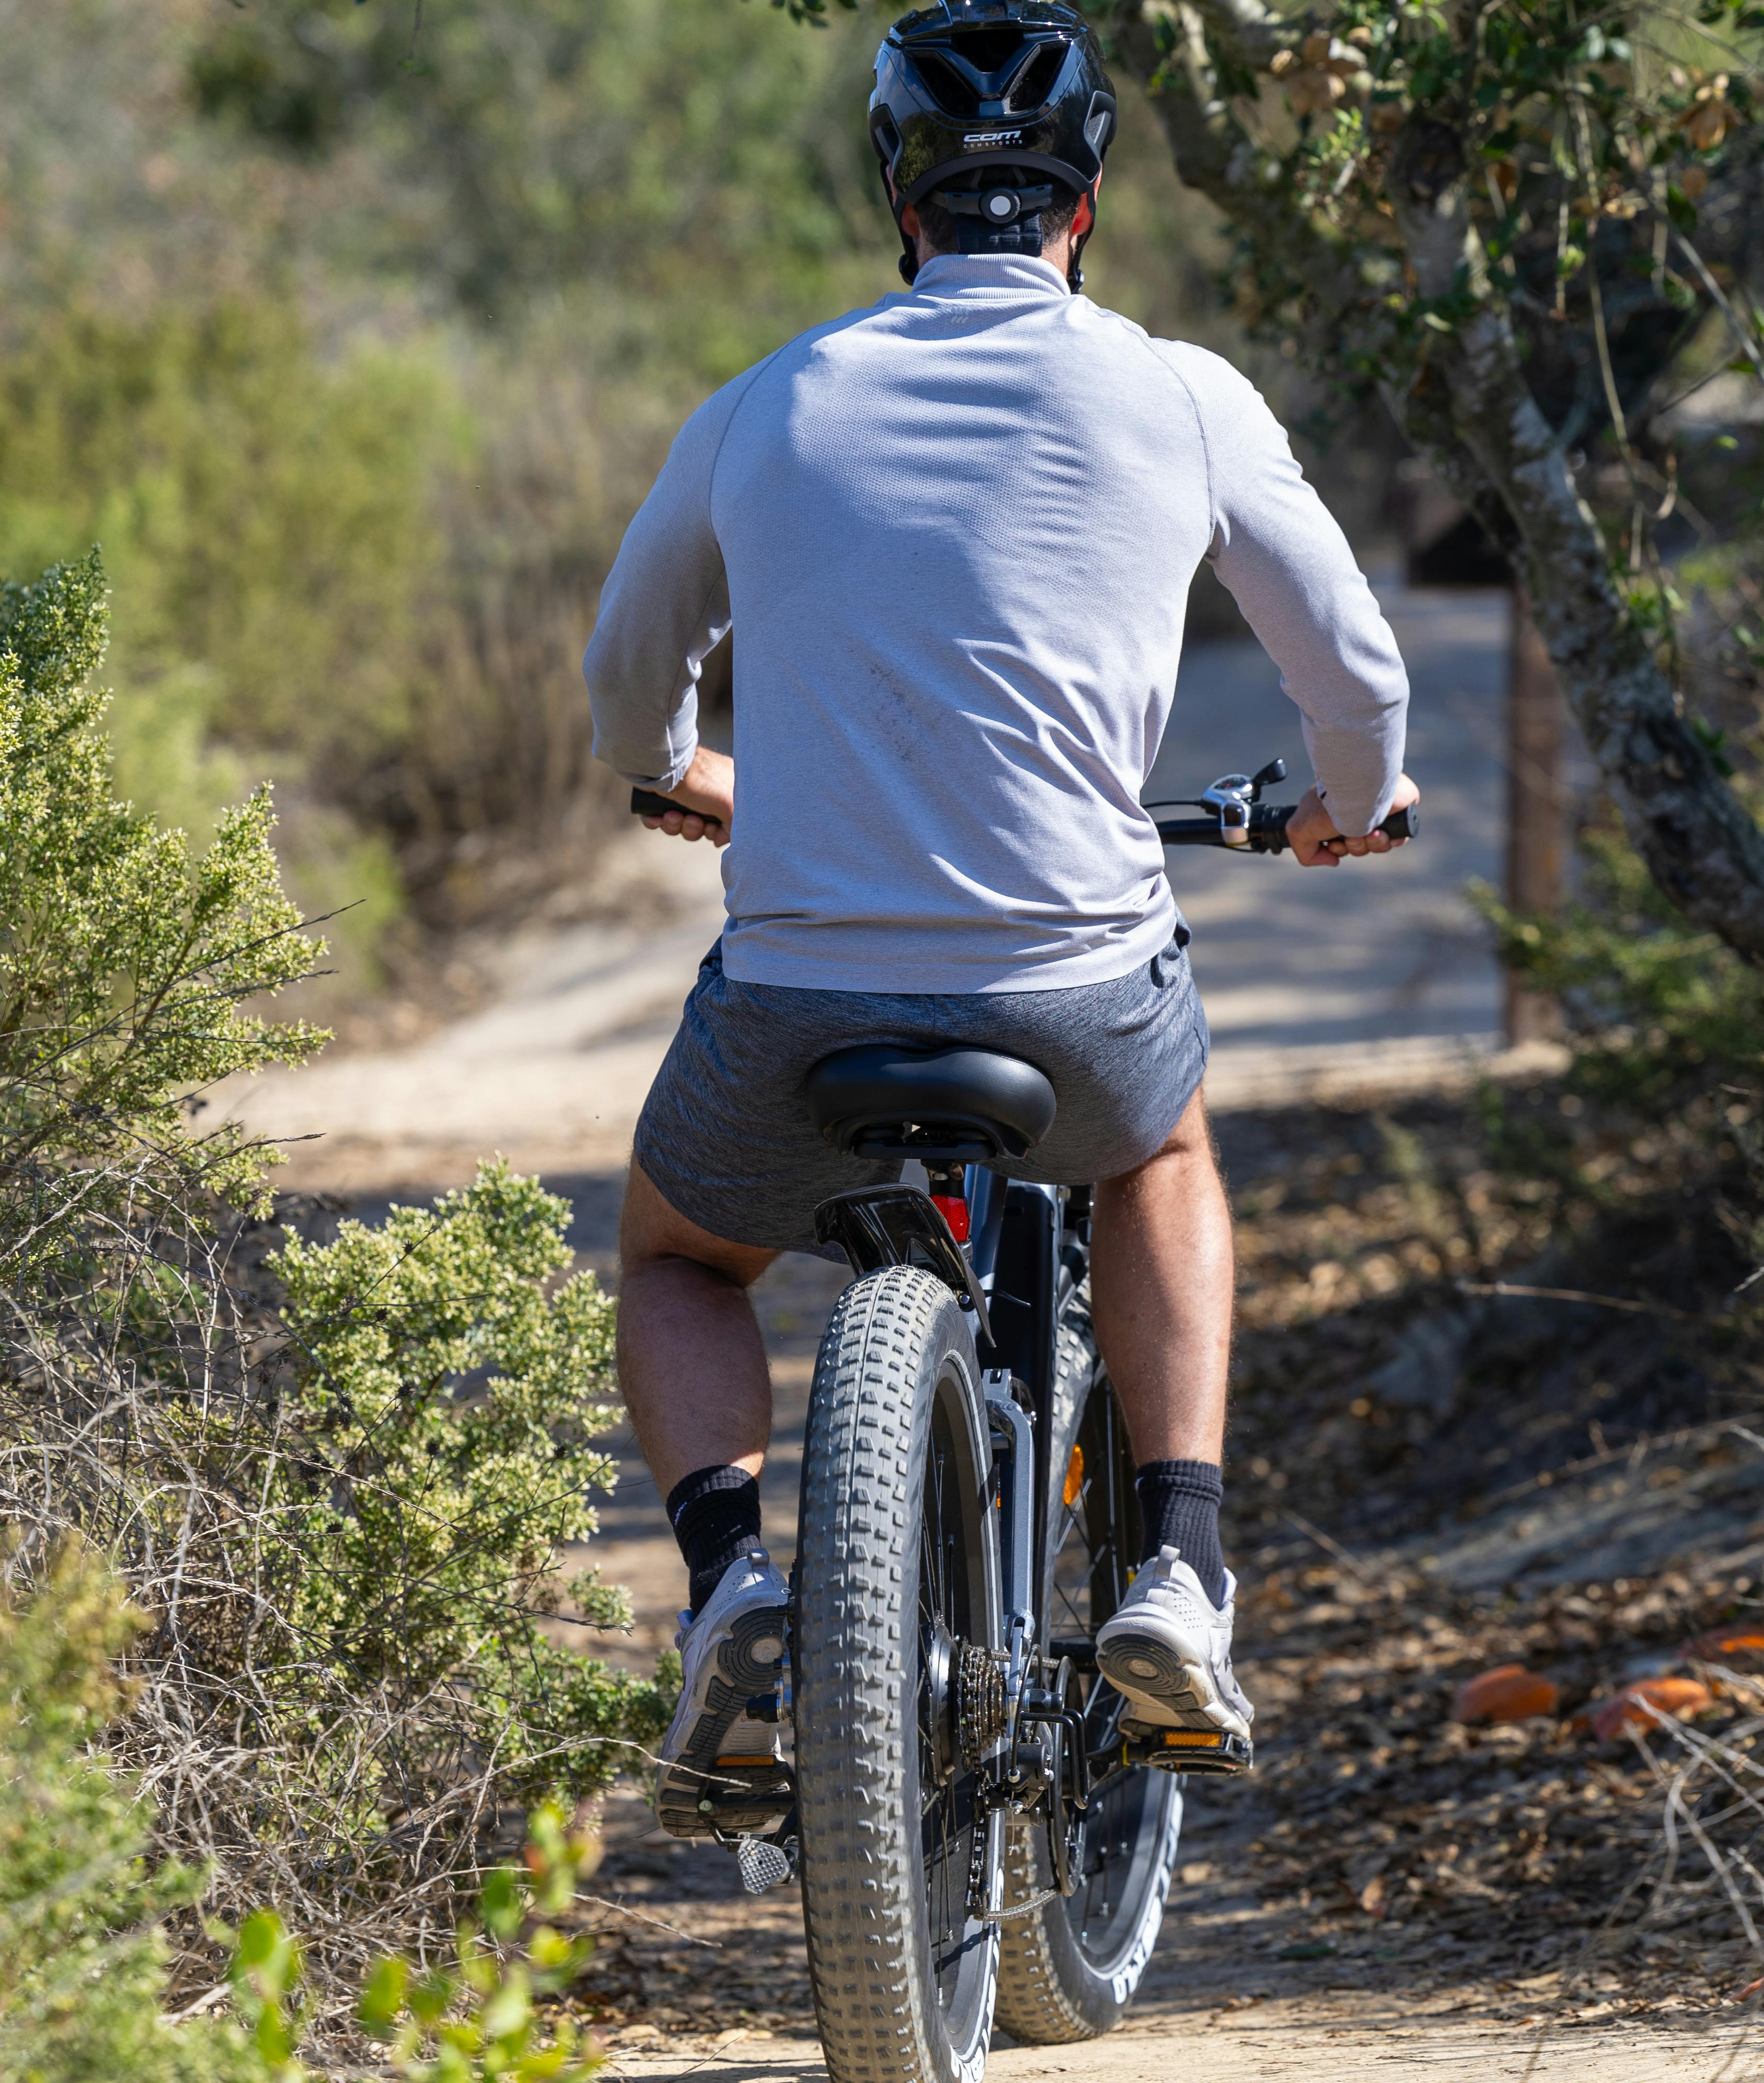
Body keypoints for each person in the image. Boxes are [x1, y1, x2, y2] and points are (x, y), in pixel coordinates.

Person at [580, 0, 1419, 1835]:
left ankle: (732, 1582)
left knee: (672, 1253)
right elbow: (1353, 673)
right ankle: (1182, 1570)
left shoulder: (766, 401)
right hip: (1076, 987)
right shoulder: (1179, 394)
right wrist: (1348, 807)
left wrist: (683, 769)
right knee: (1163, 1154)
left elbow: (627, 676)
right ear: (1087, 201)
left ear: (896, 194)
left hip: (799, 993)